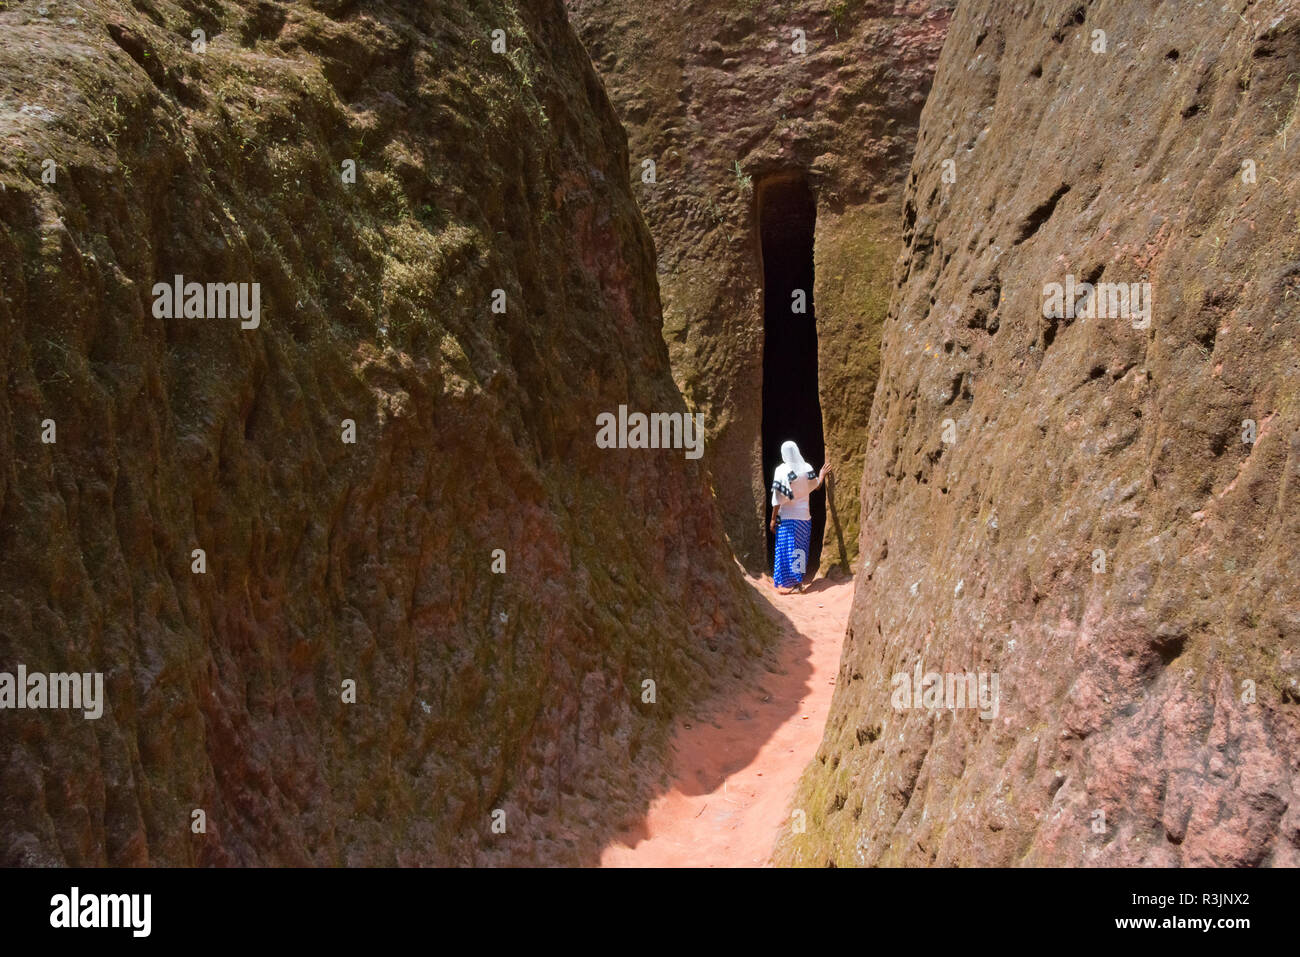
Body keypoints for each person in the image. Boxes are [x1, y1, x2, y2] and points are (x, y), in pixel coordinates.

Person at [769, 441, 832, 594]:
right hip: (804, 518)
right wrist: (822, 475)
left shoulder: (782, 470)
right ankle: (798, 583)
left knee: (785, 550)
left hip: (787, 518)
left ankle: (788, 583)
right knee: (800, 550)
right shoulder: (807, 468)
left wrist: (772, 519)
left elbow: (778, 498)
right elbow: (816, 486)